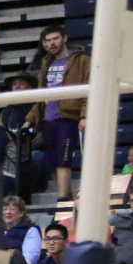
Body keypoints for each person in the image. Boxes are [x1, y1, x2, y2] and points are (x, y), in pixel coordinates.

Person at [32, 24, 91, 201]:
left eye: (55, 38)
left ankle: (63, 198)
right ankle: (67, 197)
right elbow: (41, 94)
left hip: (68, 116)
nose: (52, 43)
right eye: (48, 41)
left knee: (63, 159)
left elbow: (89, 88)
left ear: (64, 38)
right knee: (51, 162)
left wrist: (84, 115)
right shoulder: (46, 63)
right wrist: (31, 119)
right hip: (48, 117)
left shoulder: (82, 61)